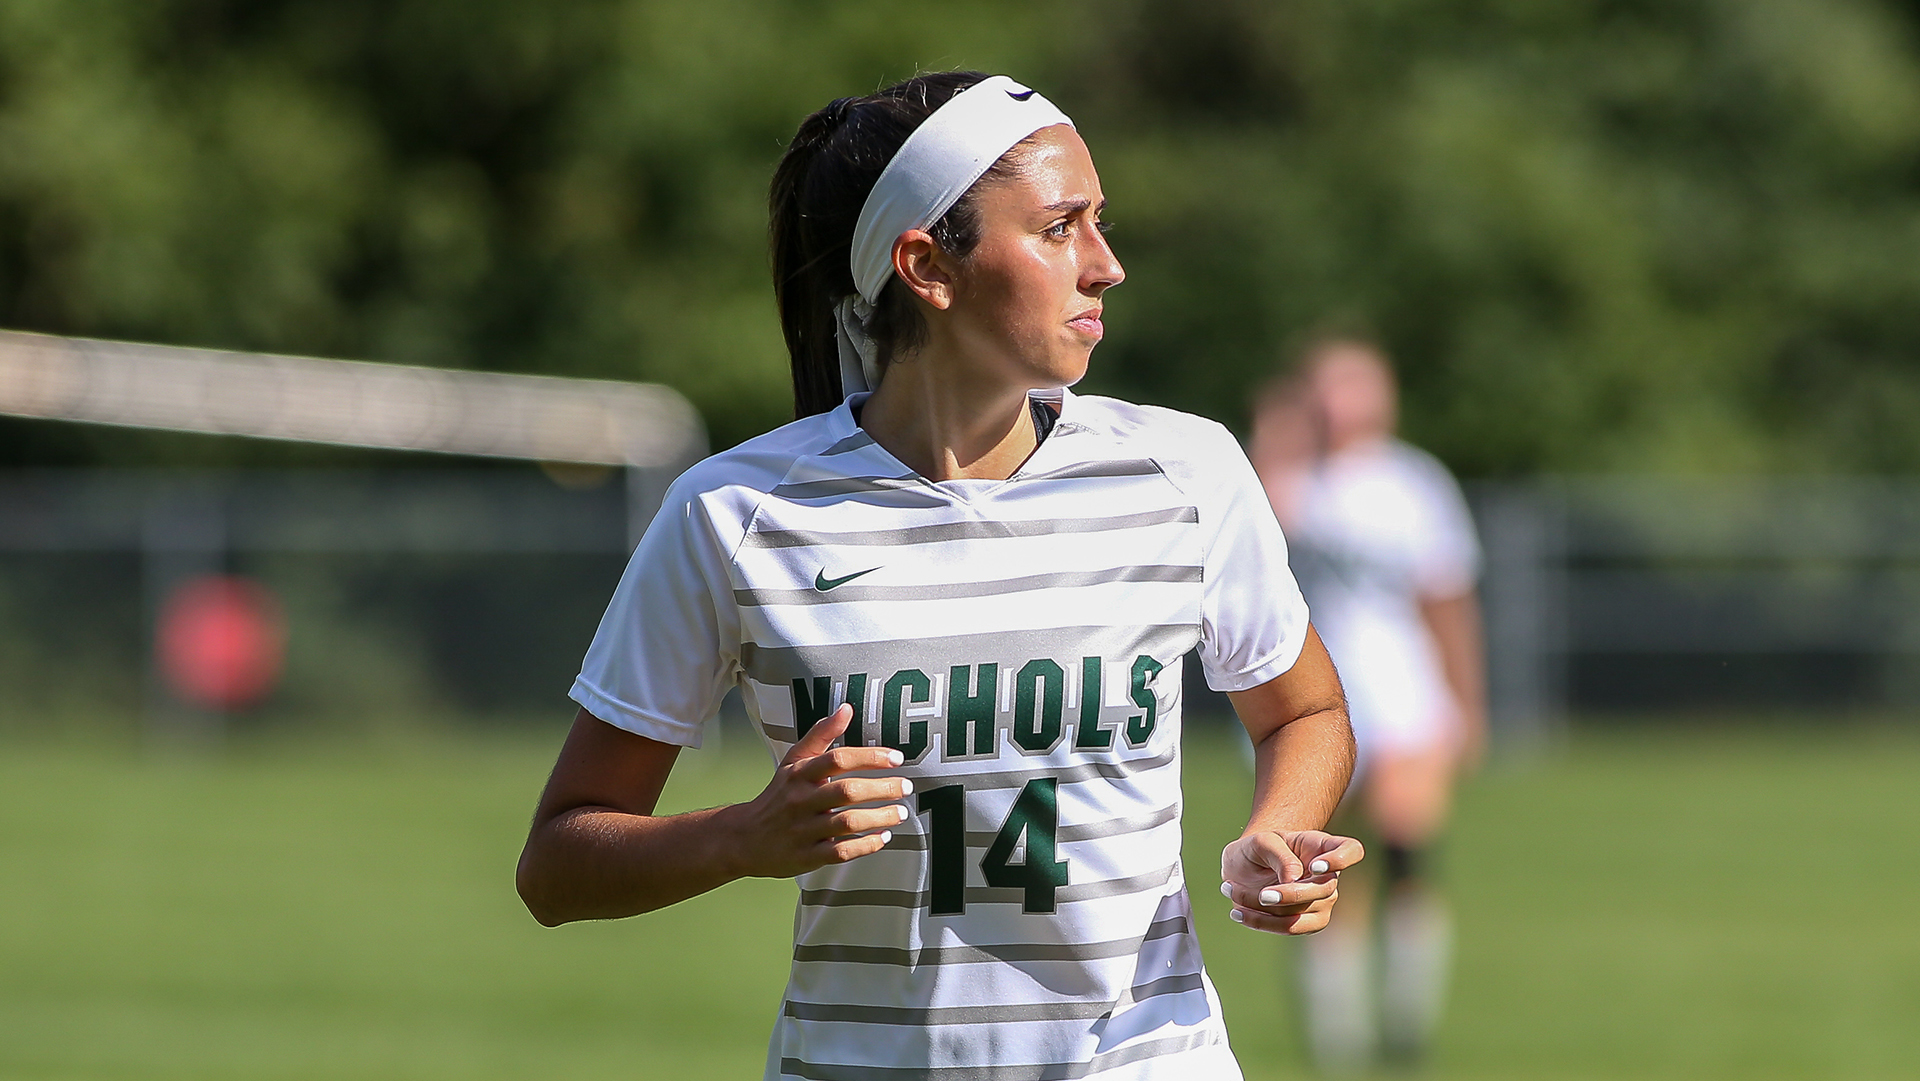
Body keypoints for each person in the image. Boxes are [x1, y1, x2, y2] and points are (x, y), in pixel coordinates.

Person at [516, 71, 1364, 1081]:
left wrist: (1274, 834)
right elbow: (557, 867)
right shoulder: (733, 515)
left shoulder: (1186, 471)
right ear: (926, 264)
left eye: (1099, 223)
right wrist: (744, 835)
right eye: (1060, 228)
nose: (1107, 265)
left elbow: (1303, 711)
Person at [1249, 338, 1487, 1073]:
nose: (1341, 401)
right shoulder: (1289, 481)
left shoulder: (1413, 483)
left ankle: (1407, 1020)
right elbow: (1253, 552)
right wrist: (1276, 435)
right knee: (1321, 867)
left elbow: (1446, 598)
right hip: (1314, 698)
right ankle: (1338, 1035)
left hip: (1403, 690)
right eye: (1328, 385)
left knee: (1407, 842)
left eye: (1358, 384)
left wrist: (1466, 697)